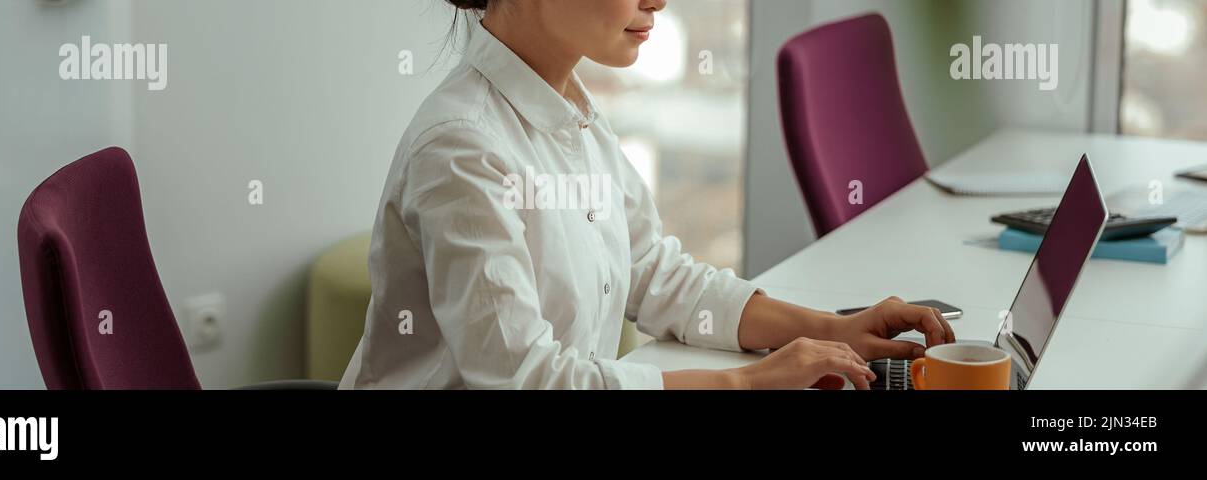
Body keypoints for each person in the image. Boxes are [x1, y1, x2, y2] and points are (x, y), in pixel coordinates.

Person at [339, 0, 954, 390]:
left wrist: (831, 329)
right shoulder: (461, 147)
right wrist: (748, 384)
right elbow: (523, 381)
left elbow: (658, 276)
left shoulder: (571, 111)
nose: (659, 1)